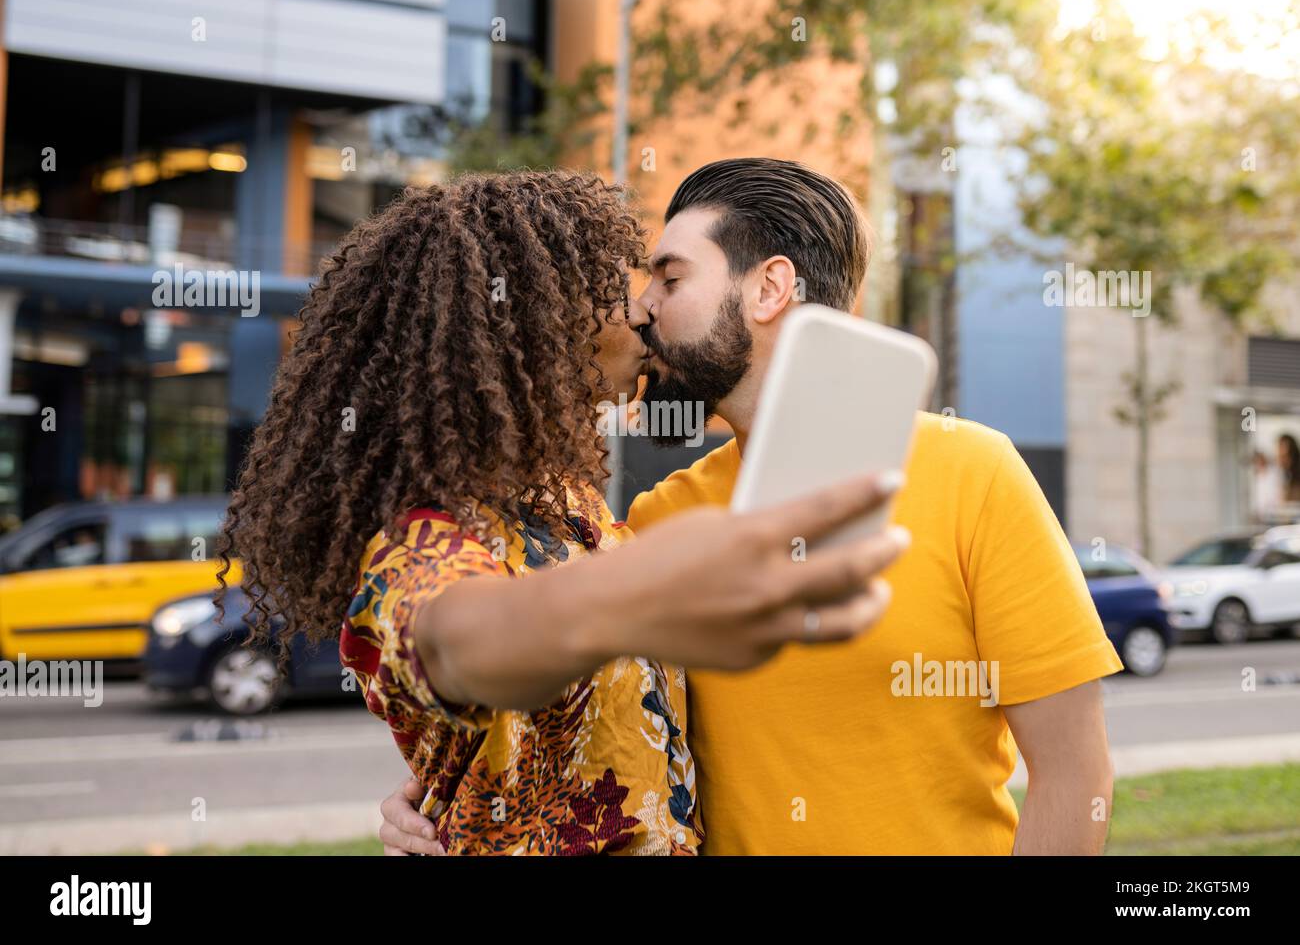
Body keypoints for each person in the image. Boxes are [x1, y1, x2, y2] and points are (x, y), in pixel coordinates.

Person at [381, 158, 1121, 856]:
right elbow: (544, 691)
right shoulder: (652, 522)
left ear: (769, 289)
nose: (642, 308)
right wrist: (447, 789)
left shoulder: (974, 472)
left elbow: (1074, 774)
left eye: (670, 278)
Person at [219, 169, 907, 855]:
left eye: (659, 285)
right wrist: (627, 597)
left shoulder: (582, 516)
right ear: (526, 323)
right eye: (615, 292)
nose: (641, 311)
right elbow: (456, 642)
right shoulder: (424, 541)